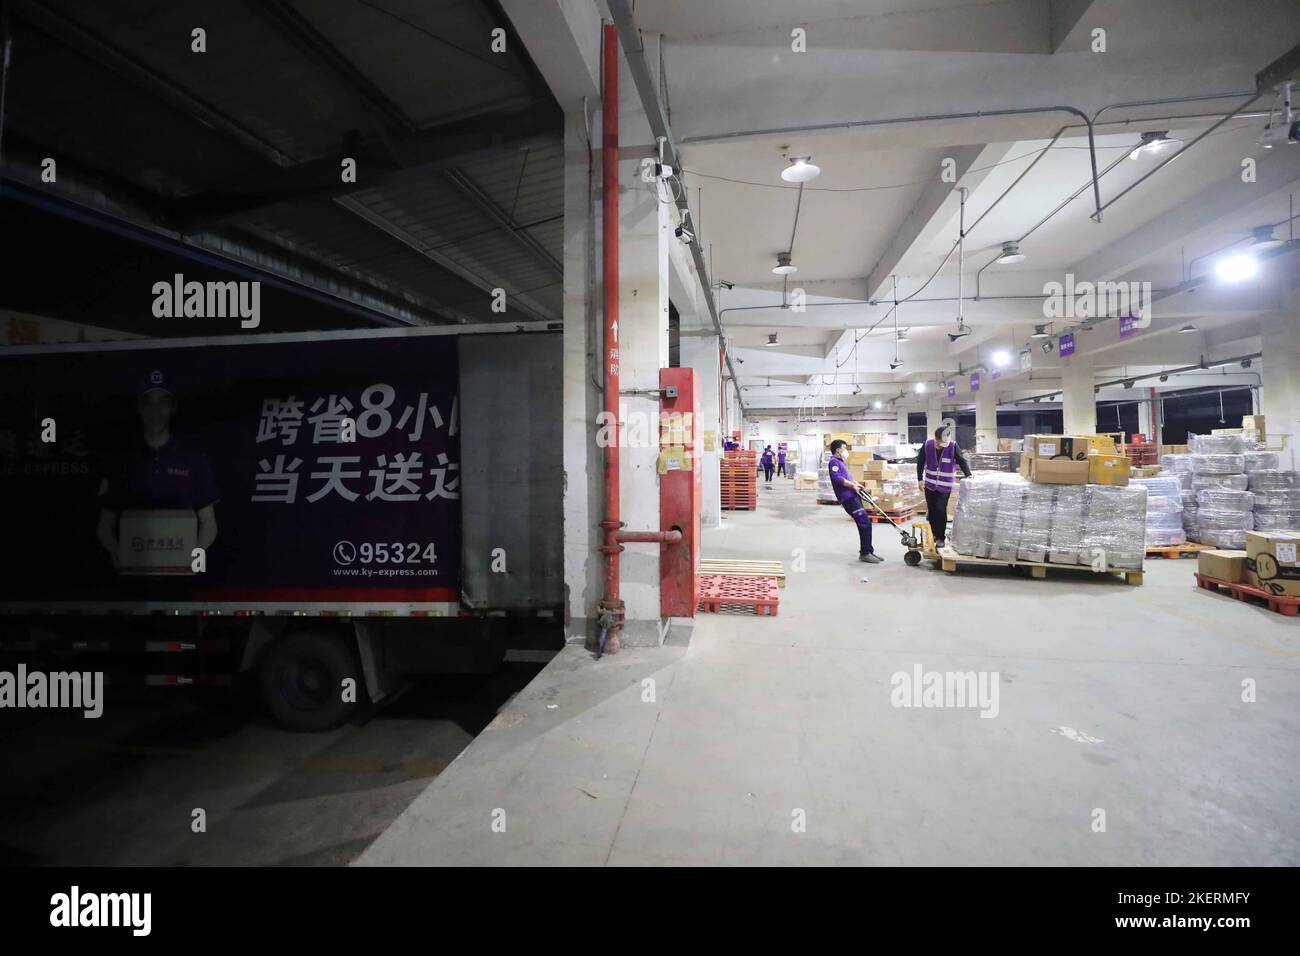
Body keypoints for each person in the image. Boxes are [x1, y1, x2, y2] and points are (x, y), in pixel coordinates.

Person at [97, 370, 219, 569]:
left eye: (163, 402)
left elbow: (208, 520)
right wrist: (117, 551)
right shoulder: (120, 461)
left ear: (173, 407)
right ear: (138, 408)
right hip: (132, 576)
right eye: (148, 402)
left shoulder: (194, 459)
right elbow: (105, 523)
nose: (155, 411)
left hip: (179, 577)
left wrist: (196, 554)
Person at [915, 425, 971, 550]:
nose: (947, 443)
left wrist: (969, 474)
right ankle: (933, 534)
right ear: (936, 439)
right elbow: (920, 462)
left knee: (941, 510)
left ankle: (940, 537)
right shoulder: (927, 445)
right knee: (932, 510)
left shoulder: (953, 446)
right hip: (929, 484)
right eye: (943, 442)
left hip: (945, 486)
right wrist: (919, 479)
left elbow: (961, 460)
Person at [828, 439, 881, 563]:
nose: (846, 451)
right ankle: (865, 553)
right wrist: (852, 486)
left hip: (853, 495)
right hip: (848, 497)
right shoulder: (833, 463)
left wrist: (856, 483)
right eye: (844, 448)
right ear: (838, 450)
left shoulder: (841, 462)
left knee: (866, 523)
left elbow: (848, 478)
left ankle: (869, 551)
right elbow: (837, 479)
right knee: (864, 523)